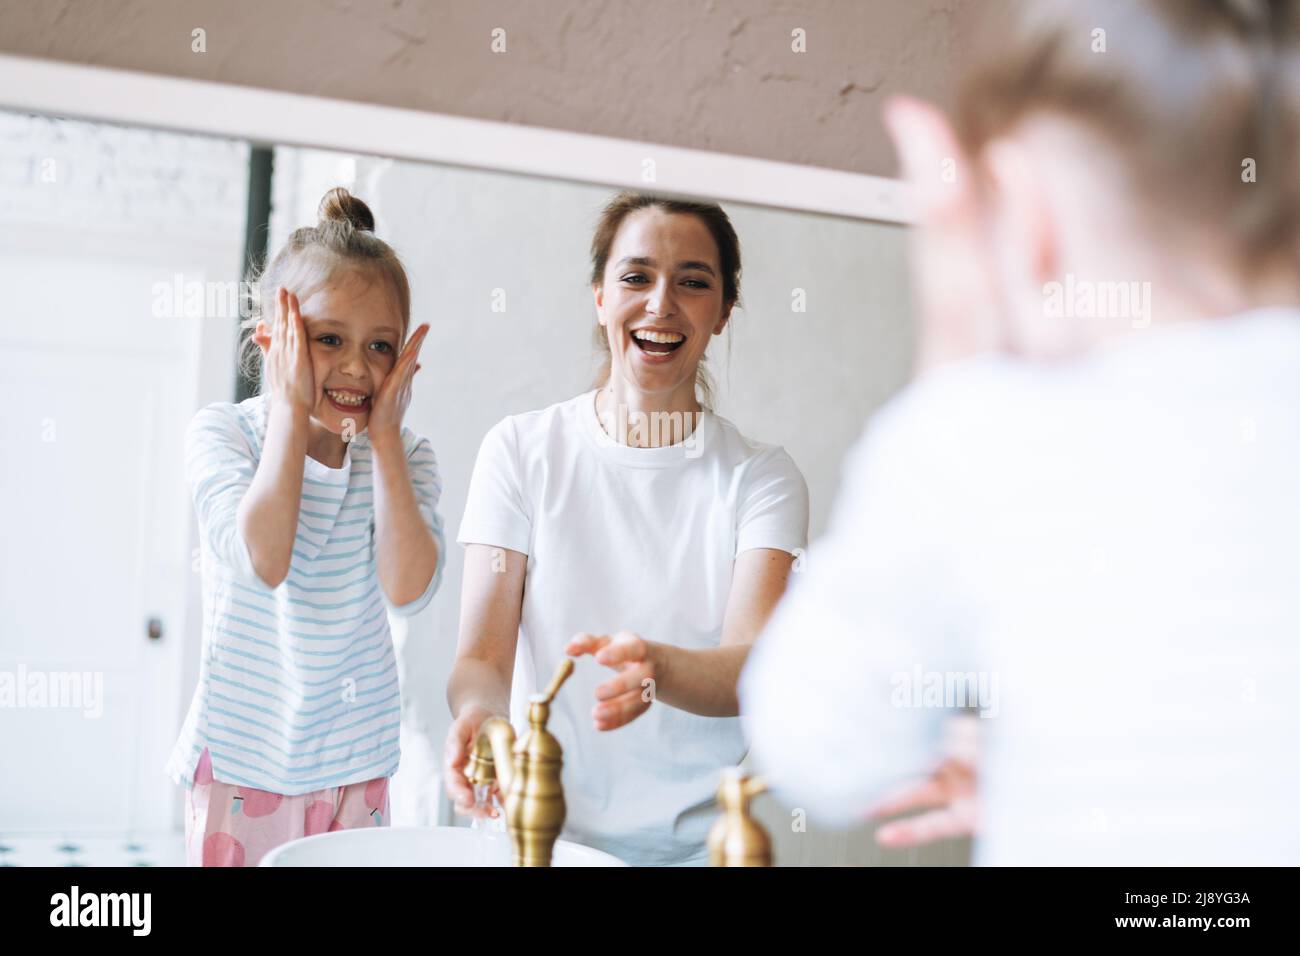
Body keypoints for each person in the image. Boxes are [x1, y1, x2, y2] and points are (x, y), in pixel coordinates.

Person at [741, 0, 1300, 865]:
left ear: (1029, 221)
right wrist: (1065, 778)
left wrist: (951, 358)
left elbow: (818, 745)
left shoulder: (982, 434)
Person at [444, 192, 809, 866]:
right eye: (636, 277)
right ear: (600, 296)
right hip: (534, 841)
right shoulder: (519, 452)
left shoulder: (763, 479)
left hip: (693, 851)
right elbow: (482, 659)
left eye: (693, 282)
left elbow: (752, 667)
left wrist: (659, 668)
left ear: (724, 310)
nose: (661, 304)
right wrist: (479, 715)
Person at [166, 188, 445, 866]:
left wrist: (380, 442)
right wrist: (292, 413)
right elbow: (264, 557)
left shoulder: (405, 456)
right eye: (327, 340)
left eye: (380, 346)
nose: (356, 367)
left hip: (354, 762)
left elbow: (409, 589)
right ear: (273, 339)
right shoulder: (225, 434)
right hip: (241, 761)